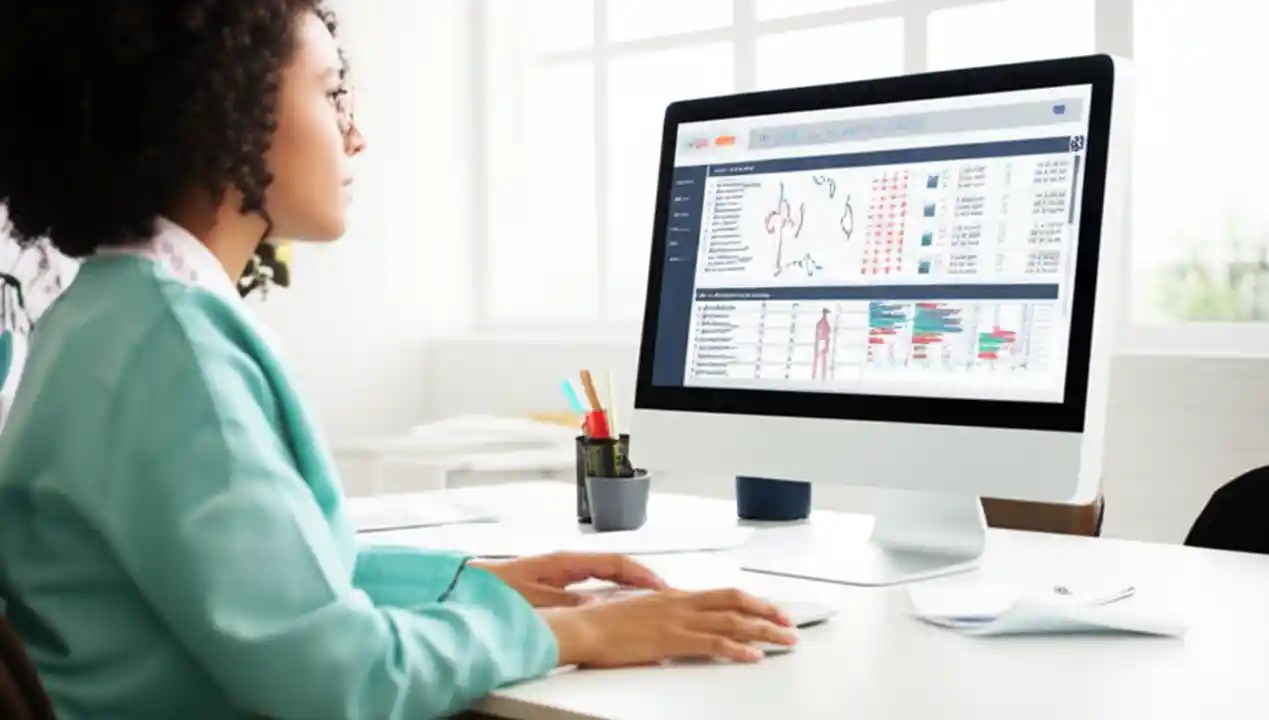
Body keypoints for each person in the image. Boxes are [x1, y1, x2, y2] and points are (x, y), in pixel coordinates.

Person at [0, 2, 796, 718]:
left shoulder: (108, 313)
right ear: (221, 111)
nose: (356, 134)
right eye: (332, 90)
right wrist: (576, 633)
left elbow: (275, 582)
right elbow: (336, 679)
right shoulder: (173, 350)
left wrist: (471, 587)